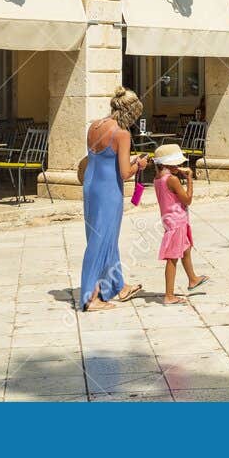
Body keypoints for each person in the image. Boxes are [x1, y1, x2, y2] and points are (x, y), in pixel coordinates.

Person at [78, 87, 149, 311]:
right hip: (109, 191)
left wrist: (130, 159)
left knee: (104, 238)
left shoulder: (95, 126)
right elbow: (125, 173)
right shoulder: (122, 134)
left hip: (91, 186)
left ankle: (119, 286)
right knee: (100, 242)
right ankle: (90, 297)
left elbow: (103, 159)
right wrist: (140, 164)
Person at [150, 143, 206, 305]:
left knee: (186, 249)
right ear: (168, 165)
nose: (180, 166)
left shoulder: (158, 178)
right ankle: (169, 295)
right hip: (177, 223)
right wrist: (189, 179)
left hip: (173, 221)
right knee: (172, 258)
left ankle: (193, 279)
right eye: (177, 164)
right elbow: (187, 200)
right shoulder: (172, 180)